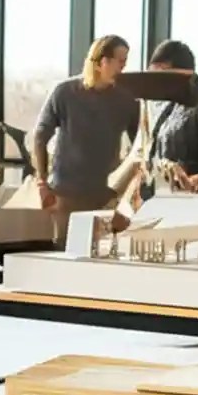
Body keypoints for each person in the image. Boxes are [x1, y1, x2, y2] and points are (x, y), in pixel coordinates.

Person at [32, 35, 141, 248]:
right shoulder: (64, 92)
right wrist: (42, 182)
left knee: (102, 253)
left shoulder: (127, 99)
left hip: (106, 194)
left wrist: (127, 187)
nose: (124, 67)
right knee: (65, 251)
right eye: (120, 61)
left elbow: (141, 144)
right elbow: (40, 136)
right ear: (102, 62)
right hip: (67, 192)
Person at [113, 40, 198, 200]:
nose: (154, 85)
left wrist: (195, 182)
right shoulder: (160, 100)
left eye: (159, 77)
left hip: (193, 205)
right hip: (159, 199)